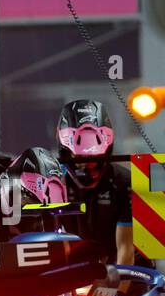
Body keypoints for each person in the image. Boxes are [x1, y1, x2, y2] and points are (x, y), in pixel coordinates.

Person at [55, 99, 136, 265]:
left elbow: (126, 249)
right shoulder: (55, 182)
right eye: (79, 159)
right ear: (66, 154)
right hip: (74, 267)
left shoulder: (124, 181)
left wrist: (118, 290)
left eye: (93, 160)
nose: (86, 167)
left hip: (119, 266)